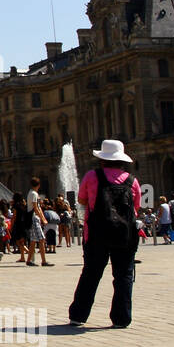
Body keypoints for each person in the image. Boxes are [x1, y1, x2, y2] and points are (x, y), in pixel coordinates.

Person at [68, 139, 141, 329]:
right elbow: (136, 208)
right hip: (125, 235)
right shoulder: (132, 181)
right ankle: (121, 318)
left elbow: (82, 200)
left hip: (96, 234)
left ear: (102, 160)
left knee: (91, 274)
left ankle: (78, 315)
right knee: (123, 276)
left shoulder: (92, 176)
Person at [25, 177, 49, 266]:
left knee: (33, 241)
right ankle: (43, 261)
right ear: (38, 185)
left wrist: (42, 218)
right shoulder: (34, 194)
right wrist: (42, 219)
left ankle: (29, 260)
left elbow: (37, 207)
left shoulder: (30, 193)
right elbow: (35, 207)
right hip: (34, 218)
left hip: (34, 218)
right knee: (41, 239)